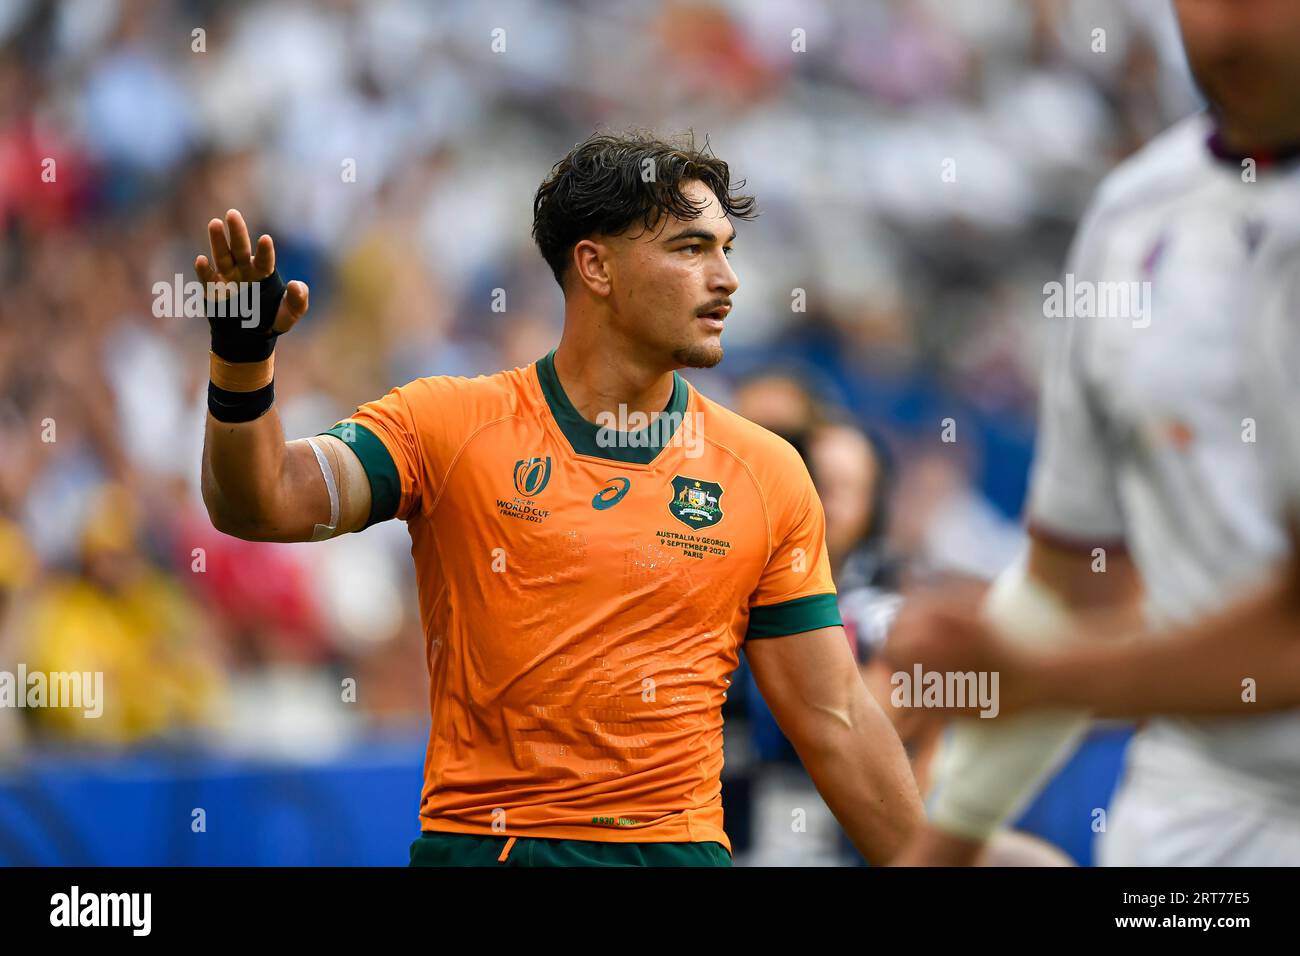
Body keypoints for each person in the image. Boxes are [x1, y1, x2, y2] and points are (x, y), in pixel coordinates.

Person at [195, 131, 922, 866]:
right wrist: (242, 359)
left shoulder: (767, 470)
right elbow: (263, 501)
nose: (726, 277)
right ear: (596, 265)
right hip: (493, 849)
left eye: (726, 248)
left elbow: (834, 720)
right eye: (691, 249)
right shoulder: (447, 423)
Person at [885, 0, 1300, 867]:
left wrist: (1045, 680)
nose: (1224, 34)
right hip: (1192, 815)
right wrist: (946, 837)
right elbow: (1075, 585)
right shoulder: (1132, 216)